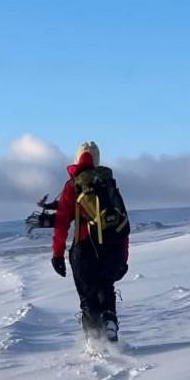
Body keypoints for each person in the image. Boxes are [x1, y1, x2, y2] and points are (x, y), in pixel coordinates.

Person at [50, 141, 130, 341]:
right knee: (106, 288)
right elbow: (122, 222)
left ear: (77, 158)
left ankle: (94, 342)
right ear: (97, 159)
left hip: (84, 248)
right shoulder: (108, 182)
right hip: (112, 248)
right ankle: (110, 321)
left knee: (88, 298)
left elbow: (61, 223)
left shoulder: (73, 185)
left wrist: (57, 254)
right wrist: (123, 257)